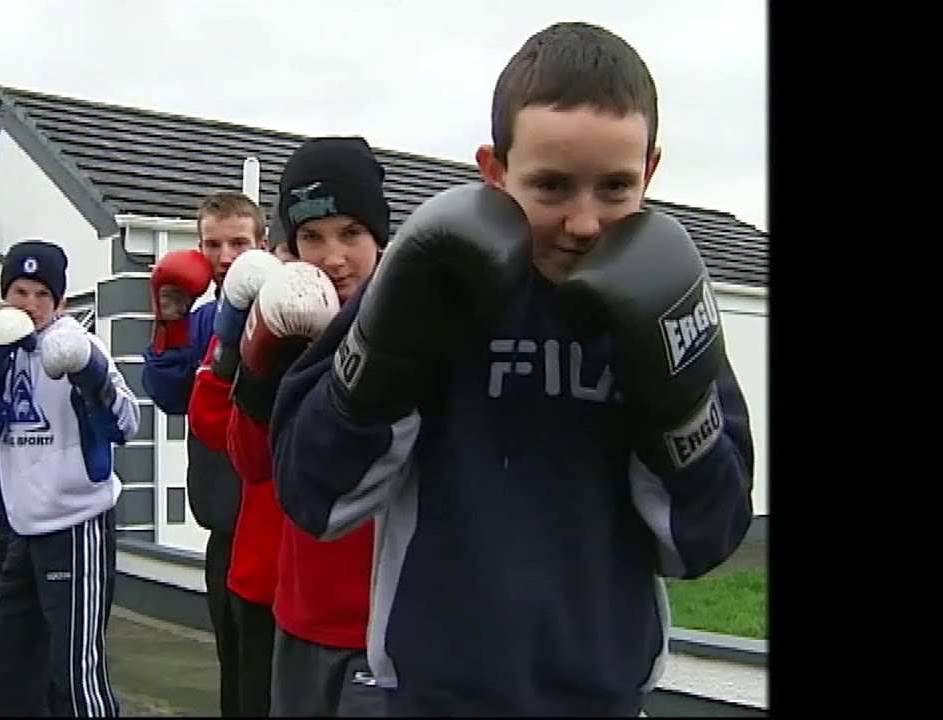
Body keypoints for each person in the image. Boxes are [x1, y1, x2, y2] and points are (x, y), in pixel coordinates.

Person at [270, 22, 757, 716]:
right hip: (429, 699)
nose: (584, 222)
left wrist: (674, 408)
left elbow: (704, 540)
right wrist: (381, 358)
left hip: (602, 701)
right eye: (552, 186)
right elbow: (313, 496)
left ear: (649, 171)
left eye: (614, 187)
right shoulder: (431, 288)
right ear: (495, 170)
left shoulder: (667, 298)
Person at [226, 137, 390, 717]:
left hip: (384, 625)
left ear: (379, 238)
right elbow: (250, 463)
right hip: (297, 611)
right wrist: (255, 361)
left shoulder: (409, 331)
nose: (333, 256)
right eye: (313, 237)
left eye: (351, 234)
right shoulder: (288, 327)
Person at [0, 239, 141, 716]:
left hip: (75, 525)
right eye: (20, 291)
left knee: (74, 670)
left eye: (43, 294)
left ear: (60, 301)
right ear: (5, 296)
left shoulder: (83, 344)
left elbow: (127, 423)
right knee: (9, 661)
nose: (31, 305)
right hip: (17, 525)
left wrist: (90, 373)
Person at [142, 190, 266, 717]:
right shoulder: (201, 319)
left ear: (263, 244)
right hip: (222, 518)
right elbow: (170, 398)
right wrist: (169, 321)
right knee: (232, 662)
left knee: (272, 670)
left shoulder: (288, 307)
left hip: (276, 520)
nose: (224, 257)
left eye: (238, 242)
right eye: (212, 244)